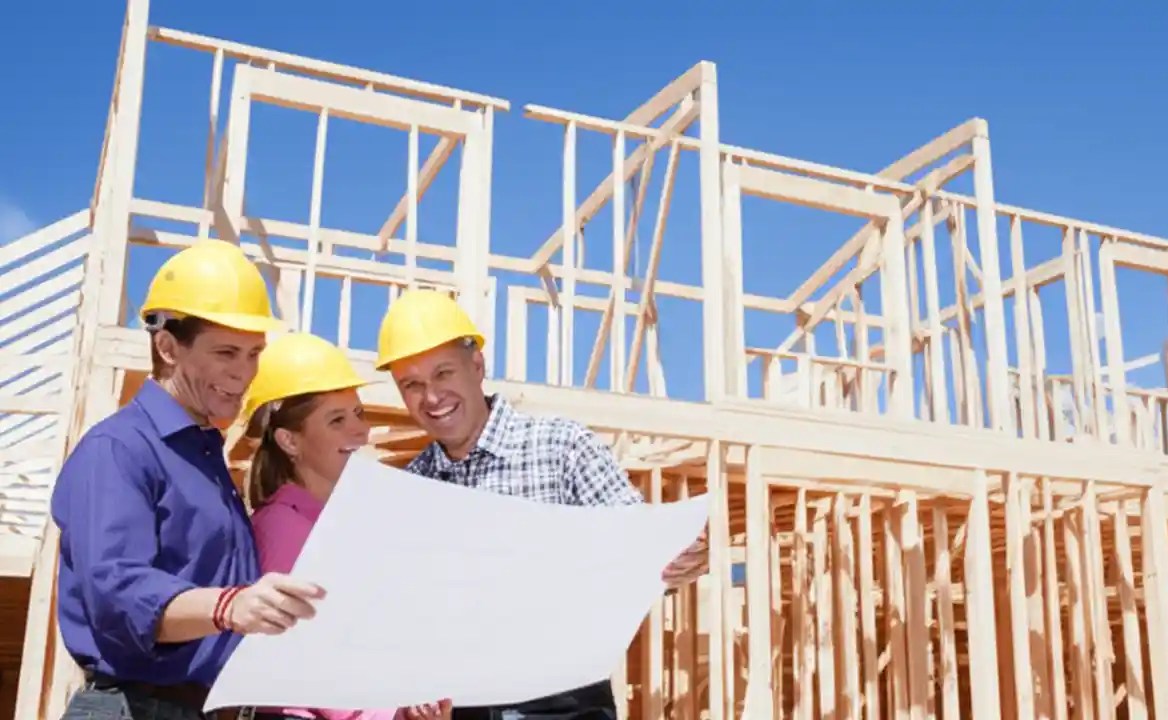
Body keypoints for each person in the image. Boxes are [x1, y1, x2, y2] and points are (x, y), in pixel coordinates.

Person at [374, 289, 708, 720]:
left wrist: (679, 554)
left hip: (566, 702)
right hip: (465, 704)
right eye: (412, 385)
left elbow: (639, 543)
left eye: (443, 374)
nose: (432, 396)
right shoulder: (413, 488)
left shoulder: (560, 447)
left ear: (477, 366)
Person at [50, 240, 327, 720]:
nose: (243, 374)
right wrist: (230, 607)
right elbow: (117, 594)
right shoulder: (119, 449)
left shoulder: (203, 458)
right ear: (167, 347)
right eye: (226, 353)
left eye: (253, 354)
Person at [241, 331, 453, 720]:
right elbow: (306, 656)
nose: (359, 430)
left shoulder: (341, 524)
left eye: (357, 413)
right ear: (289, 441)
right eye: (336, 420)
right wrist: (393, 713)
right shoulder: (283, 527)